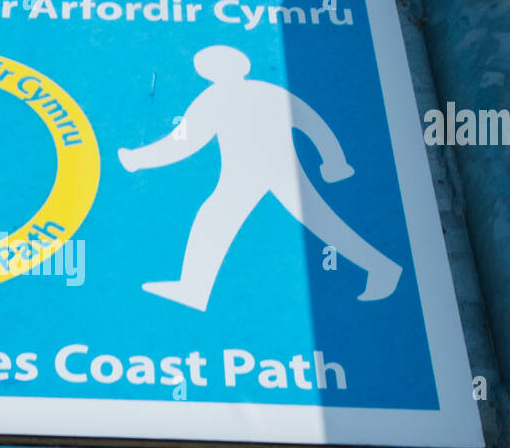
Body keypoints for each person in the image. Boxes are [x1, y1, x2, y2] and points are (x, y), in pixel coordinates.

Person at [118, 45, 402, 311]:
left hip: (260, 172)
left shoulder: (215, 98)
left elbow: (182, 143)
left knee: (315, 222)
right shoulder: (266, 90)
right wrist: (334, 162)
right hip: (256, 173)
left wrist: (137, 160)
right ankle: (194, 288)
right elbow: (314, 124)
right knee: (218, 218)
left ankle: (382, 268)